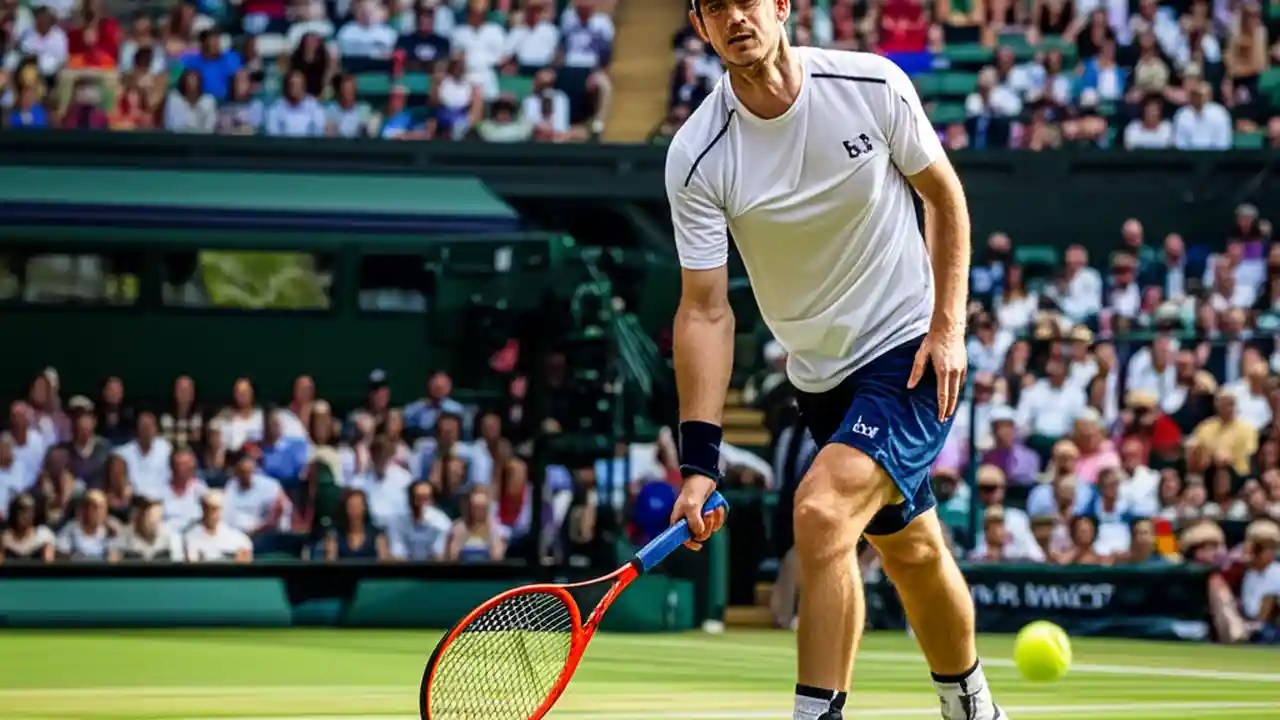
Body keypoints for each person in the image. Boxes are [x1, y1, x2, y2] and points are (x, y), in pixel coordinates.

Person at [664, 2, 1000, 718]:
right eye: (713, 8)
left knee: (818, 511)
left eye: (746, 1)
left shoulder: (871, 85)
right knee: (911, 553)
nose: (734, 18)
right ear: (700, 27)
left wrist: (948, 328)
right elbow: (704, 310)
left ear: (782, 5)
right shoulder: (697, 154)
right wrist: (699, 464)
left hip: (909, 350)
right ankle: (974, 708)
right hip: (820, 379)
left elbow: (944, 197)